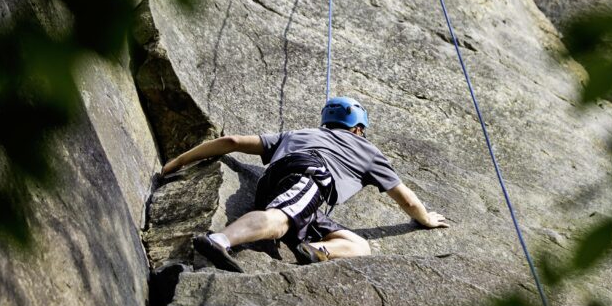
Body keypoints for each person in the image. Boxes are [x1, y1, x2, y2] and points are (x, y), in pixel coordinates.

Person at [159, 97, 449, 272]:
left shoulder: (298, 133)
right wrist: (426, 219)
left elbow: (231, 142)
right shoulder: (368, 151)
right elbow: (407, 200)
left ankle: (314, 250)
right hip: (311, 176)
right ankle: (219, 240)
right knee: (284, 216)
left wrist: (179, 161)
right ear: (359, 129)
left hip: (279, 182)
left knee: (358, 245)